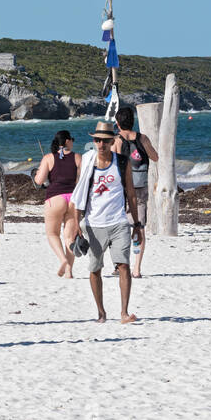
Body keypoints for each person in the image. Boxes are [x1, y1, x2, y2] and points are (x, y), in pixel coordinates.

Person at [72, 121, 142, 324]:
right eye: (97, 140)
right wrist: (77, 223)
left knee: (124, 265)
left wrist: (137, 224)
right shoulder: (87, 164)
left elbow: (131, 193)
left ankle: (124, 313)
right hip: (93, 224)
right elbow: (79, 194)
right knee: (95, 269)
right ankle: (101, 313)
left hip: (119, 222)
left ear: (112, 141)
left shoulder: (122, 162)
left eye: (104, 140)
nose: (100, 144)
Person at [113, 107, 158, 278]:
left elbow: (111, 164)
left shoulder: (116, 141)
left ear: (117, 123)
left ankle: (120, 265)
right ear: (133, 121)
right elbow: (155, 157)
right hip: (140, 188)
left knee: (119, 228)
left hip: (121, 189)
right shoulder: (143, 138)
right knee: (139, 227)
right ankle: (137, 269)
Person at [33, 130, 82, 278]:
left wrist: (36, 174)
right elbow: (80, 181)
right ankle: (69, 272)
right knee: (70, 237)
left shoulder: (48, 158)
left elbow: (39, 181)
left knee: (52, 233)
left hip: (55, 197)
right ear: (67, 141)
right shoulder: (78, 157)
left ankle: (63, 260)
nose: (73, 142)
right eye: (72, 139)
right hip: (73, 198)